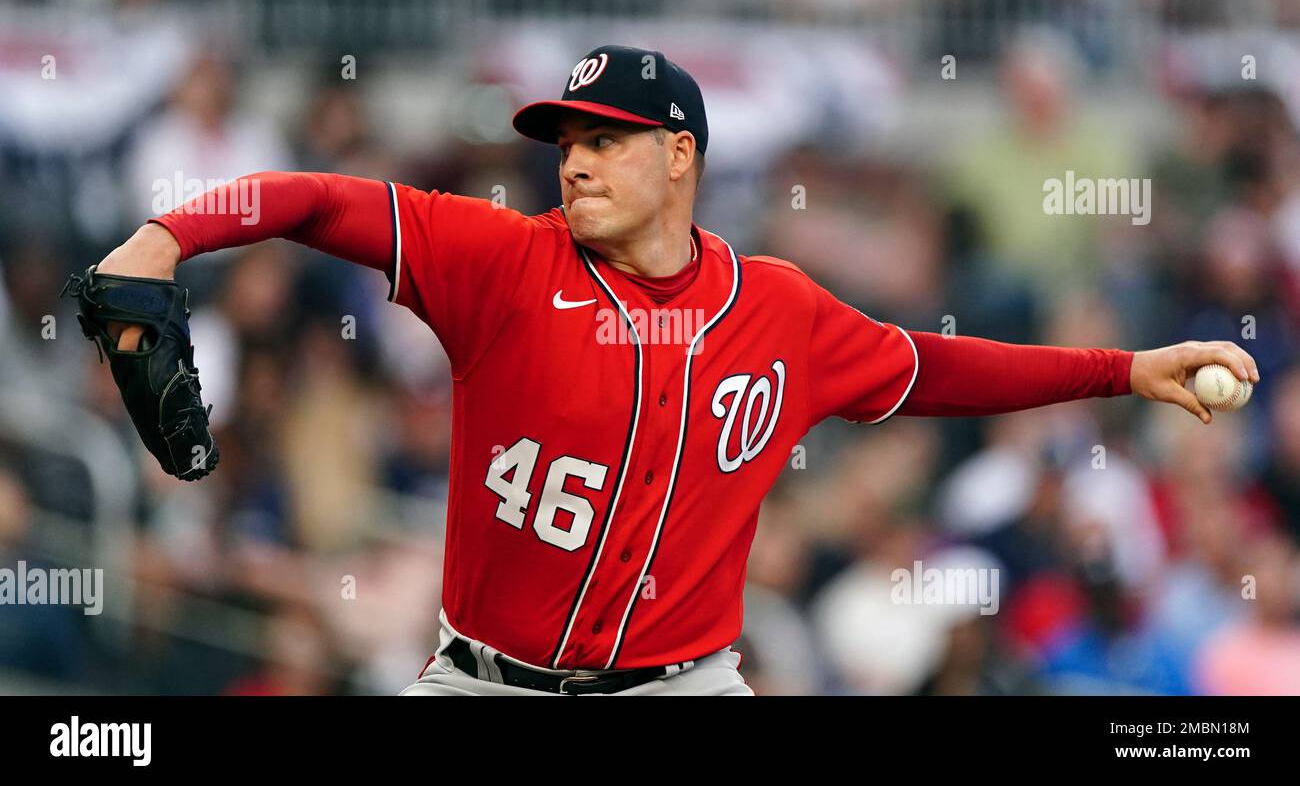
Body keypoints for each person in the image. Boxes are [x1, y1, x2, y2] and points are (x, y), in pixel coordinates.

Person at [93, 46, 1259, 696]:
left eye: (606, 139)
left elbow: (936, 365)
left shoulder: (778, 310)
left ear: (681, 154)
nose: (576, 163)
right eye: (566, 142)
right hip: (483, 682)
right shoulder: (498, 260)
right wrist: (168, 236)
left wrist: (1122, 368)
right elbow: (314, 199)